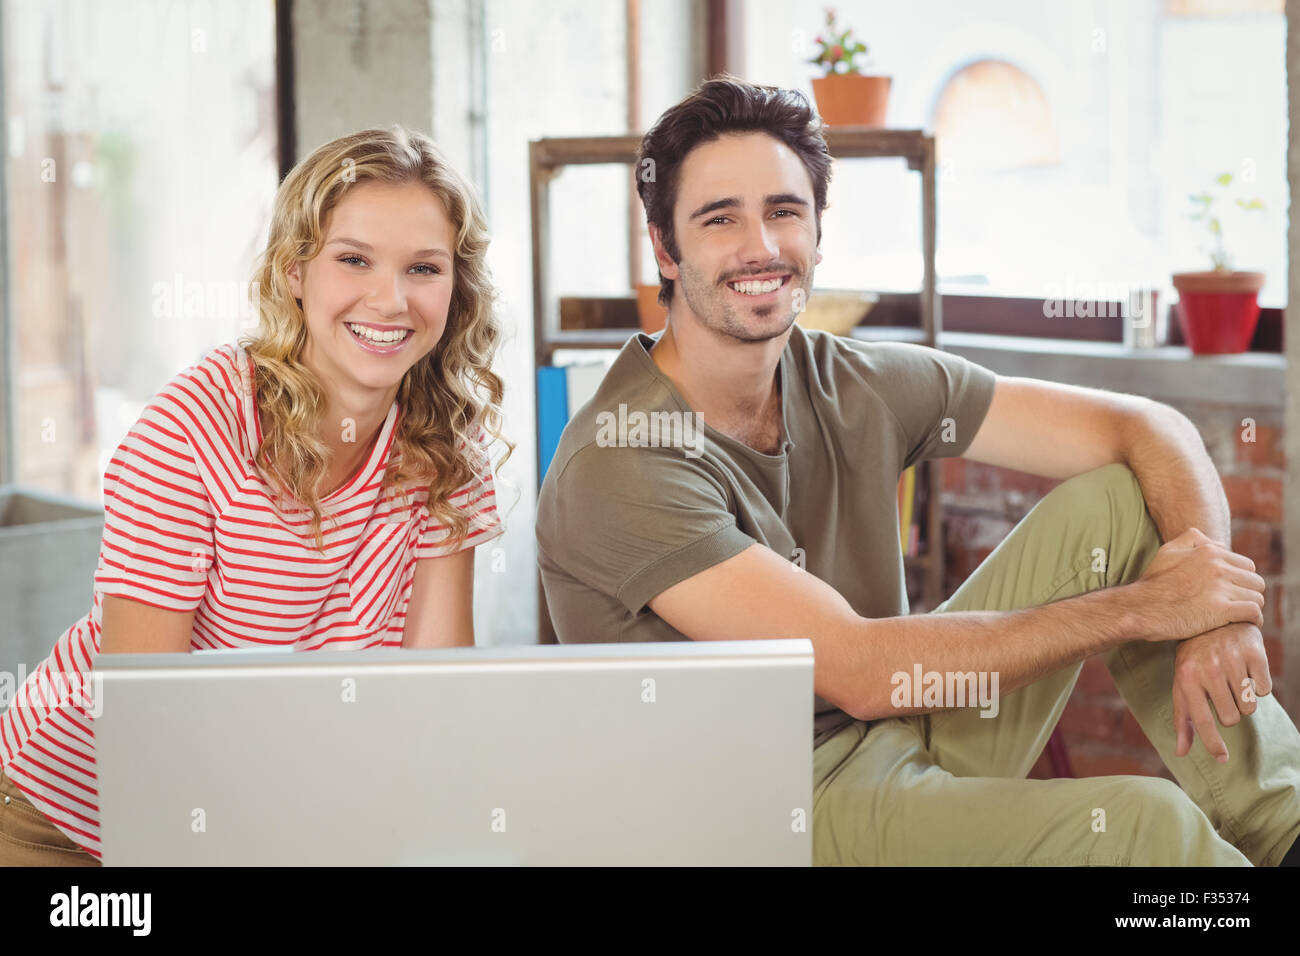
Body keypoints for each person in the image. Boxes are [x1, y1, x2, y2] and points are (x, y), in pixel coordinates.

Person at [535, 77, 1300, 866]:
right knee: (1146, 827)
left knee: (1121, 500)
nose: (760, 246)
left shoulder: (854, 382)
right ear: (665, 247)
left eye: (784, 211)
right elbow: (859, 671)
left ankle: (1286, 830)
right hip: (766, 815)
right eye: (720, 218)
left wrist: (1217, 611)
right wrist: (1143, 609)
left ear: (819, 233)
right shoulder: (618, 460)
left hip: (895, 736)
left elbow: (1147, 425)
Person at [0, 124, 509, 865]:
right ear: (294, 271)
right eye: (353, 259)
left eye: (424, 268)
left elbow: (432, 702)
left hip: (281, 817)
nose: (391, 299)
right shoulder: (196, 427)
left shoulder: (446, 448)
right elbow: (147, 727)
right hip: (70, 821)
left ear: (456, 287)